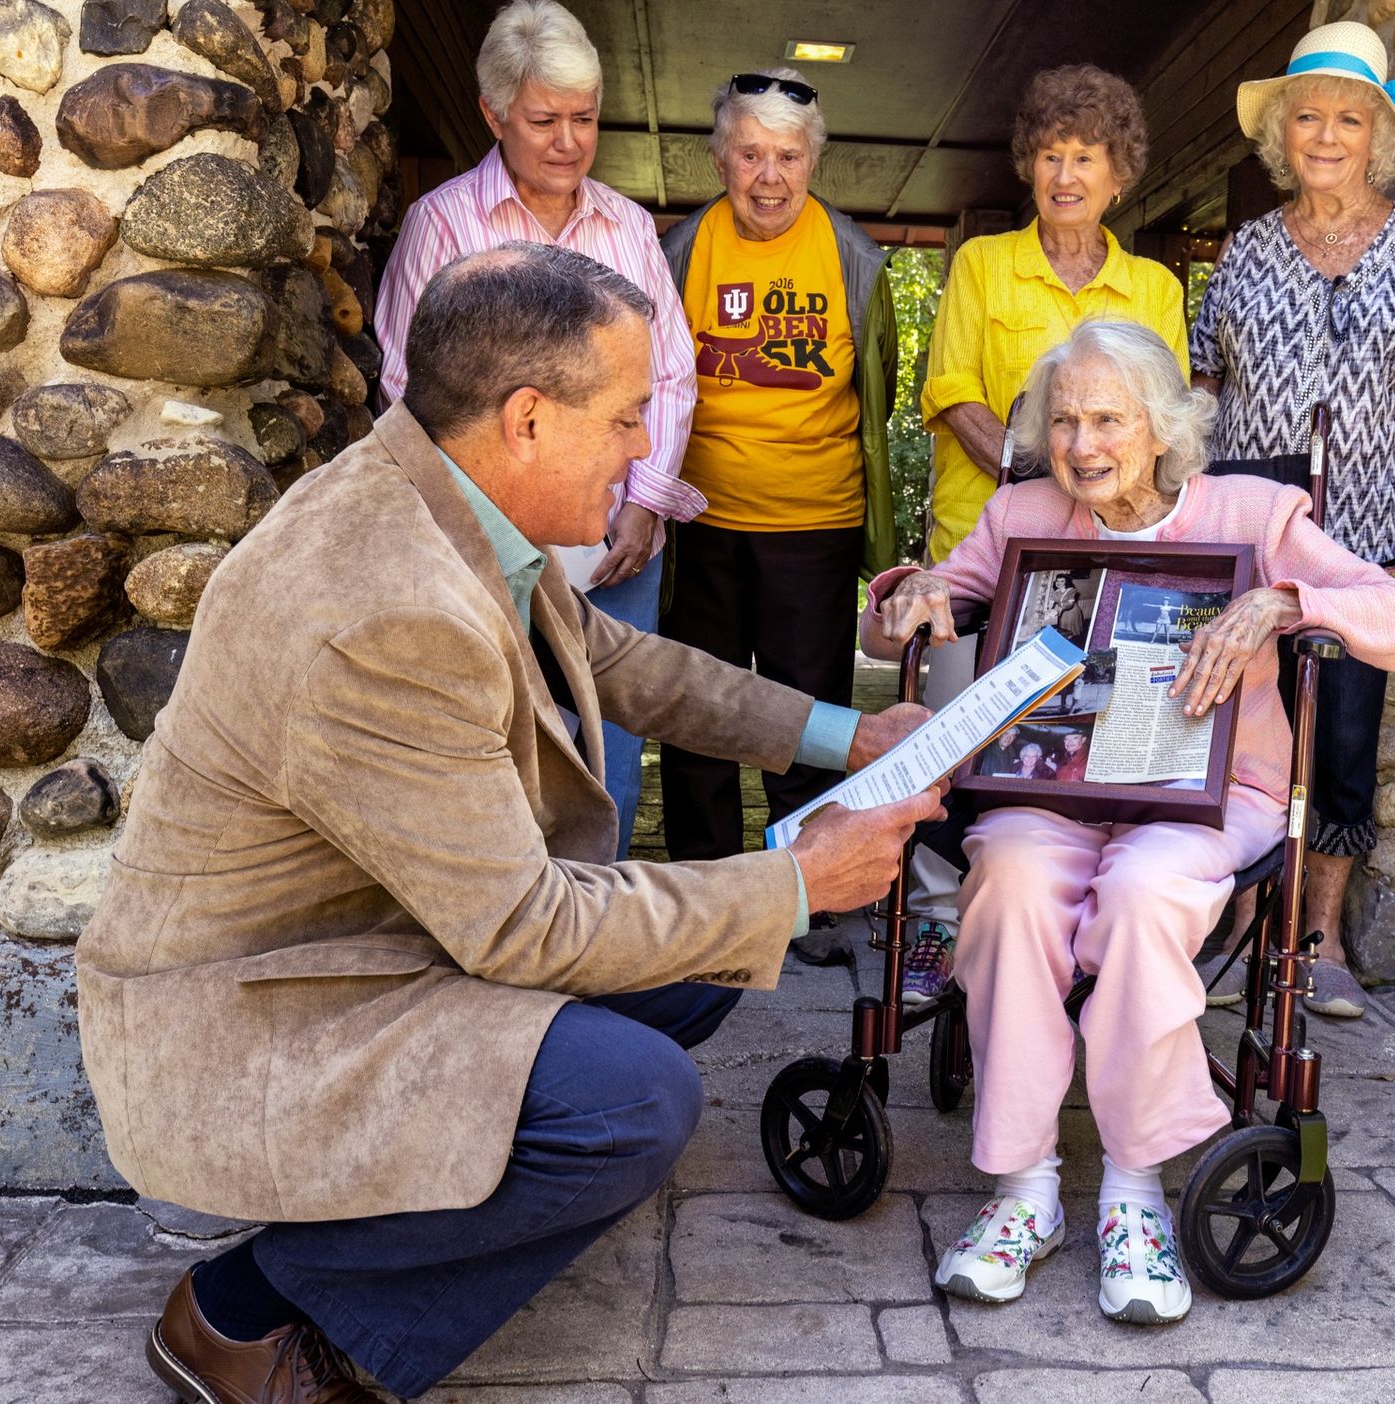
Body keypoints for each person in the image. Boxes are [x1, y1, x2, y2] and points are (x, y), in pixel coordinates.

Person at [79, 245, 941, 1404]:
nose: (647, 450)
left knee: (705, 963)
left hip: (387, 940)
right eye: (630, 416)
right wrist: (795, 881)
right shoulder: (389, 606)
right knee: (635, 1102)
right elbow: (524, 930)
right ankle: (248, 1313)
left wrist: (847, 738)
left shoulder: (444, 494)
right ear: (529, 419)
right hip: (267, 1012)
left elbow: (612, 656)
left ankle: (467, 1185)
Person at [864, 320, 1395, 1324]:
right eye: (1065, 419)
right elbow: (917, 608)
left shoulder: (1255, 513)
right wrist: (907, 595)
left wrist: (1285, 602)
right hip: (1054, 793)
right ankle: (1026, 1189)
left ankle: (1133, 1188)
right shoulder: (1020, 511)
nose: (1083, 446)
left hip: (1213, 798)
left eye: (1108, 421)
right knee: (1011, 888)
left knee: (1140, 894)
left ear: (1163, 427)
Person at [1189, 20, 1395, 1020]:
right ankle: (1237, 928)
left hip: (1366, 540)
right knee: (1245, 731)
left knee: (1344, 737)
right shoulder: (1246, 252)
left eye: (1347, 120)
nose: (1324, 136)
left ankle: (1317, 940)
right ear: (1282, 134)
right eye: (1306, 116)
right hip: (1254, 535)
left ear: (1376, 137)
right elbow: (1201, 389)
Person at [374, 0, 697, 859]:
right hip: (489, 546)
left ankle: (605, 936)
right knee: (496, 747)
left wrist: (648, 501)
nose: (568, 142)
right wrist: (496, 526)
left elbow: (670, 372)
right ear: (493, 115)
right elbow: (408, 389)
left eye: (584, 120)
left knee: (611, 757)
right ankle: (510, 951)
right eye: (544, 120)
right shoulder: (442, 224)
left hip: (616, 541)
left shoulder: (627, 226)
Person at [905, 62, 1190, 1002]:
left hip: (1113, 555)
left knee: (1075, 750)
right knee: (960, 747)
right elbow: (949, 390)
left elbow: (1165, 412)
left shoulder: (1151, 284)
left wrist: (1098, 481)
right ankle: (940, 933)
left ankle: (1079, 940)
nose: (1066, 175)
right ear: (1029, 166)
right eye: (1051, 156)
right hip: (994, 544)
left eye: (1088, 158)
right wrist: (1035, 470)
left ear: (1120, 175)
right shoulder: (984, 264)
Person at [657, 67, 899, 864]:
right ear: (721, 161)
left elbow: (879, 386)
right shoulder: (682, 251)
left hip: (814, 522)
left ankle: (812, 886)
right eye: (751, 155)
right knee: (701, 712)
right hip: (701, 522)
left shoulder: (854, 258)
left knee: (810, 715)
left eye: (788, 157)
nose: (770, 177)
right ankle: (707, 883)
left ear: (812, 162)